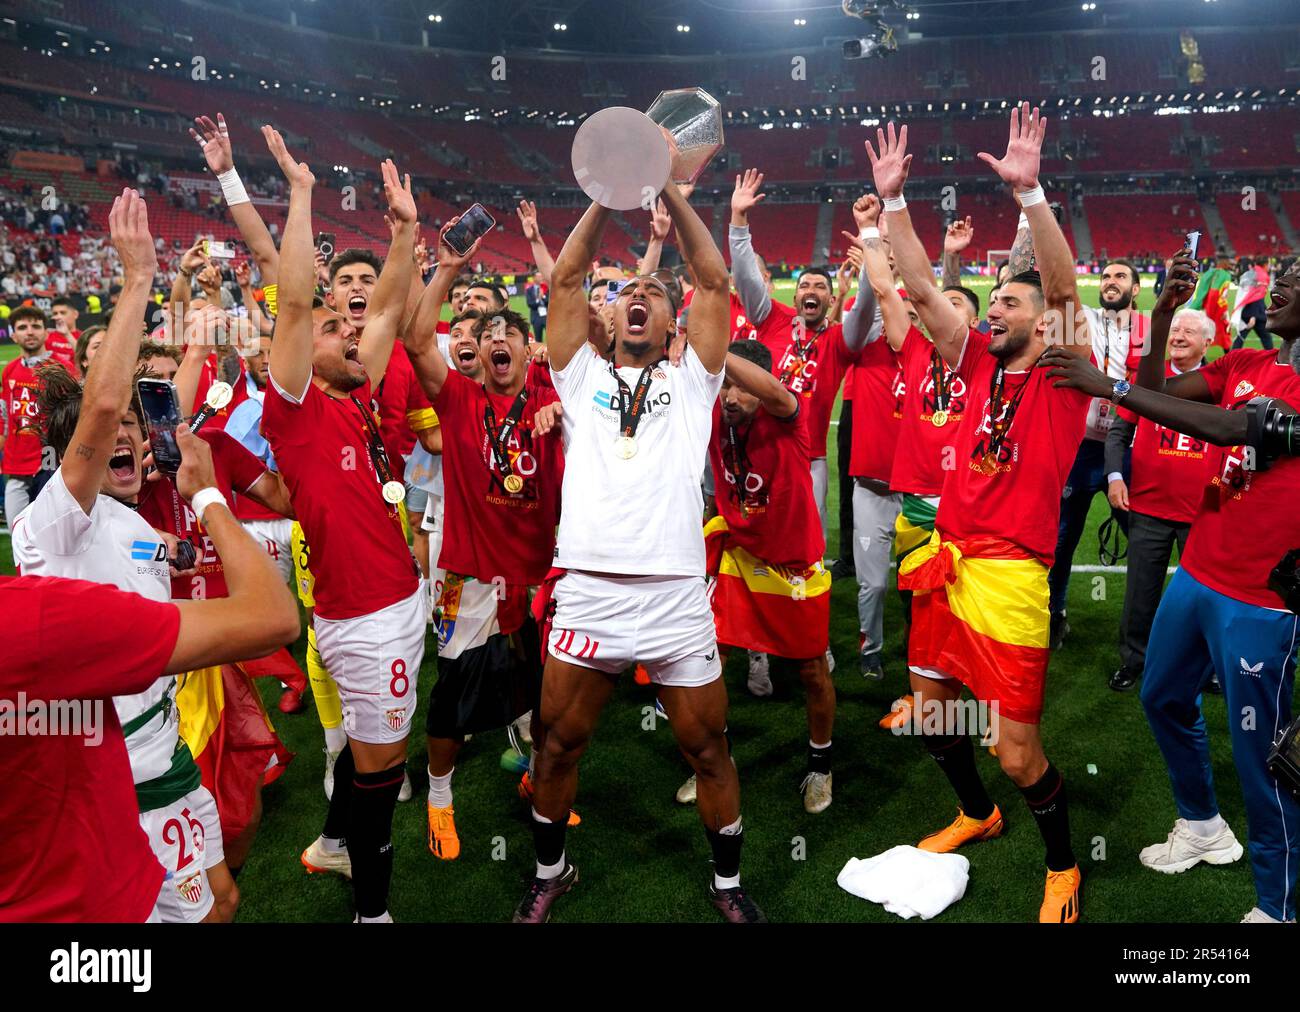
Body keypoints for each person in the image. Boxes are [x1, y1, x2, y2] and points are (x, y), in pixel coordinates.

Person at [514, 178, 766, 924]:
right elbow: (564, 277)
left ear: (670, 316)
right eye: (627, 288)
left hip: (675, 596)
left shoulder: (696, 380)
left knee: (708, 747)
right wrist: (607, 187)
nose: (639, 296)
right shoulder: (579, 370)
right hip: (590, 588)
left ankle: (727, 887)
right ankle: (550, 871)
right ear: (610, 310)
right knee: (558, 744)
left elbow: (715, 278)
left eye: (655, 292)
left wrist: (671, 195)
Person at [869, 105, 1090, 922]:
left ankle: (1063, 865)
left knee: (1017, 748)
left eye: (1007, 304)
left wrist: (1032, 195)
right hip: (945, 560)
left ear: (1042, 322)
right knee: (933, 716)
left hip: (1009, 580)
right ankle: (976, 811)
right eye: (989, 302)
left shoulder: (1064, 377)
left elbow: (1064, 287)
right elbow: (924, 290)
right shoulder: (971, 370)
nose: (991, 311)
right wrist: (893, 204)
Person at [1044, 252, 1300, 924]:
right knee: (1160, 695)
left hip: (1263, 597)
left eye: (1292, 285)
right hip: (1201, 573)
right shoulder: (1246, 365)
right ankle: (1203, 826)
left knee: (1266, 757)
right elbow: (1164, 392)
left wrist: (1110, 389)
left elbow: (1227, 427)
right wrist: (1157, 323)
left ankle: (1279, 905)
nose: (1275, 291)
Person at [12, 188, 240, 923]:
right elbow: (105, 410)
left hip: (166, 745)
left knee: (225, 895)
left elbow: (162, 397)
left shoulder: (127, 517)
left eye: (133, 436)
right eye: (103, 439)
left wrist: (182, 552)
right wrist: (138, 277)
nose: (122, 440)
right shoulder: (53, 526)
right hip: (115, 763)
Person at [258, 127, 421, 924]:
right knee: (382, 778)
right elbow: (293, 304)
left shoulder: (358, 395)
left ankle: (329, 843)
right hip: (364, 619)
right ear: (297, 354)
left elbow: (388, 304)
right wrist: (298, 193)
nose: (347, 332)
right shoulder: (292, 416)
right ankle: (374, 912)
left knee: (369, 753)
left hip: (393, 600)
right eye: (333, 330)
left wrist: (404, 232)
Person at [0, 531, 298, 920]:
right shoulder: (29, 617)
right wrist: (208, 496)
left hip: (158, 768)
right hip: (116, 858)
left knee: (224, 897)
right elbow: (272, 618)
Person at [404, 224, 565, 858]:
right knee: (455, 694)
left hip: (536, 577)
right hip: (468, 576)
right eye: (486, 334)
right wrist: (445, 268)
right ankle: (440, 800)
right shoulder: (461, 399)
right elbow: (418, 341)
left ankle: (536, 781)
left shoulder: (556, 400)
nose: (497, 340)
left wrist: (565, 413)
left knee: (536, 690)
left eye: (510, 335)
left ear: (531, 351)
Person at [703, 340, 837, 812]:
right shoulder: (711, 415)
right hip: (738, 554)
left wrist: (712, 355)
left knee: (811, 670)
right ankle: (711, 763)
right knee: (706, 660)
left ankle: (820, 766)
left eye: (742, 388)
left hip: (792, 565)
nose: (731, 398)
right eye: (725, 389)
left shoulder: (786, 415)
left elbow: (777, 391)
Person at [1103, 307, 1214, 691]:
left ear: (1208, 343)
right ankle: (1134, 660)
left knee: (1204, 596)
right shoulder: (1148, 379)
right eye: (1175, 329)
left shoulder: (1224, 384)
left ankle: (1207, 666)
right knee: (1140, 593)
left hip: (1203, 513)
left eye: (1189, 330)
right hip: (1148, 507)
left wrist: (1222, 498)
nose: (1179, 335)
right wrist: (1115, 476)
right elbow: (1118, 433)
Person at [1046, 256, 1148, 649]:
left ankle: (1140, 631)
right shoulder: (1085, 320)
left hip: (1127, 447)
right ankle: (1055, 614)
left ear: (1135, 289)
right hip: (1080, 447)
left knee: (1140, 539)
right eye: (1106, 275)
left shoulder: (1151, 329)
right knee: (1061, 537)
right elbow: (1059, 292)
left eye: (1121, 276)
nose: (1111, 281)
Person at [2, 306, 60, 522]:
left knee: (49, 539)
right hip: (16, 467)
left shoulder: (59, 369)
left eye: (36, 326)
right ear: (14, 335)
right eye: (23, 327)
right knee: (17, 534)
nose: (30, 331)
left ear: (46, 332)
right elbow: (6, 417)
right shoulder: (10, 370)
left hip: (48, 467)